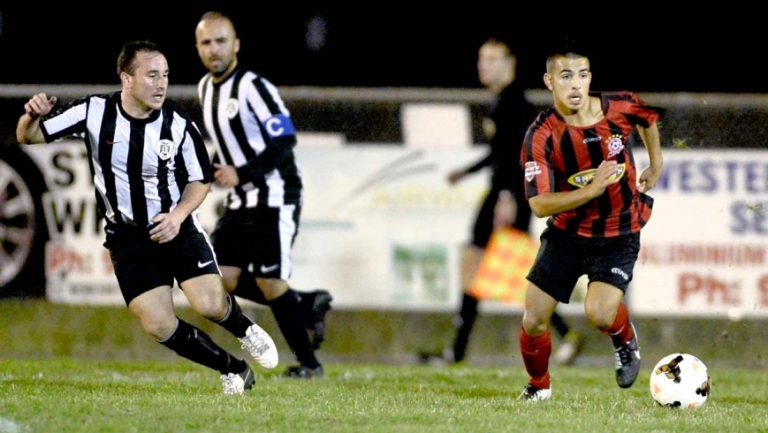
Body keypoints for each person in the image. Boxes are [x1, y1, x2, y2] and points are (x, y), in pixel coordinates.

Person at [16, 40, 278, 396]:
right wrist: (32, 115)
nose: (161, 84)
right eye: (152, 75)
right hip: (127, 237)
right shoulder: (94, 112)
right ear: (126, 78)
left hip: (176, 227)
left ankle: (245, 330)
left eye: (165, 75)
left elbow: (200, 180)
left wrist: (178, 215)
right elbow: (27, 136)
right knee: (158, 324)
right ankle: (232, 369)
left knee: (210, 304)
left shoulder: (179, 126)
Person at [418, 38, 582, 366]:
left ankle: (564, 333)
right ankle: (458, 350)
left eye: (491, 59)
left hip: (509, 196)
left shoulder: (514, 103)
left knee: (506, 270)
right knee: (485, 267)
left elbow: (521, 155)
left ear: (510, 64)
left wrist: (507, 195)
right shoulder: (503, 102)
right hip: (503, 194)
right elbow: (500, 153)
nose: (483, 66)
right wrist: (465, 172)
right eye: (481, 59)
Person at [517, 40, 663, 401]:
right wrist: (592, 189)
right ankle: (539, 388)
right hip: (566, 233)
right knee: (534, 317)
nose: (576, 84)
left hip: (618, 231)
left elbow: (648, 118)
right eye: (566, 76)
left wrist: (656, 163)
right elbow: (539, 204)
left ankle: (625, 338)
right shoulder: (541, 135)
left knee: (599, 313)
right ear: (550, 82)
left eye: (582, 75)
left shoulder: (620, 106)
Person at [194, 11, 329, 379]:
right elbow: (234, 146)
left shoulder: (254, 86)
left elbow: (285, 140)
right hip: (241, 199)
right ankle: (304, 302)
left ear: (236, 45)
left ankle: (310, 365)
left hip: (275, 194)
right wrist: (218, 169)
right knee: (221, 279)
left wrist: (242, 172)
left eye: (221, 41)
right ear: (198, 48)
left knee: (271, 282)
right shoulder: (205, 88)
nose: (214, 49)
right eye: (206, 42)